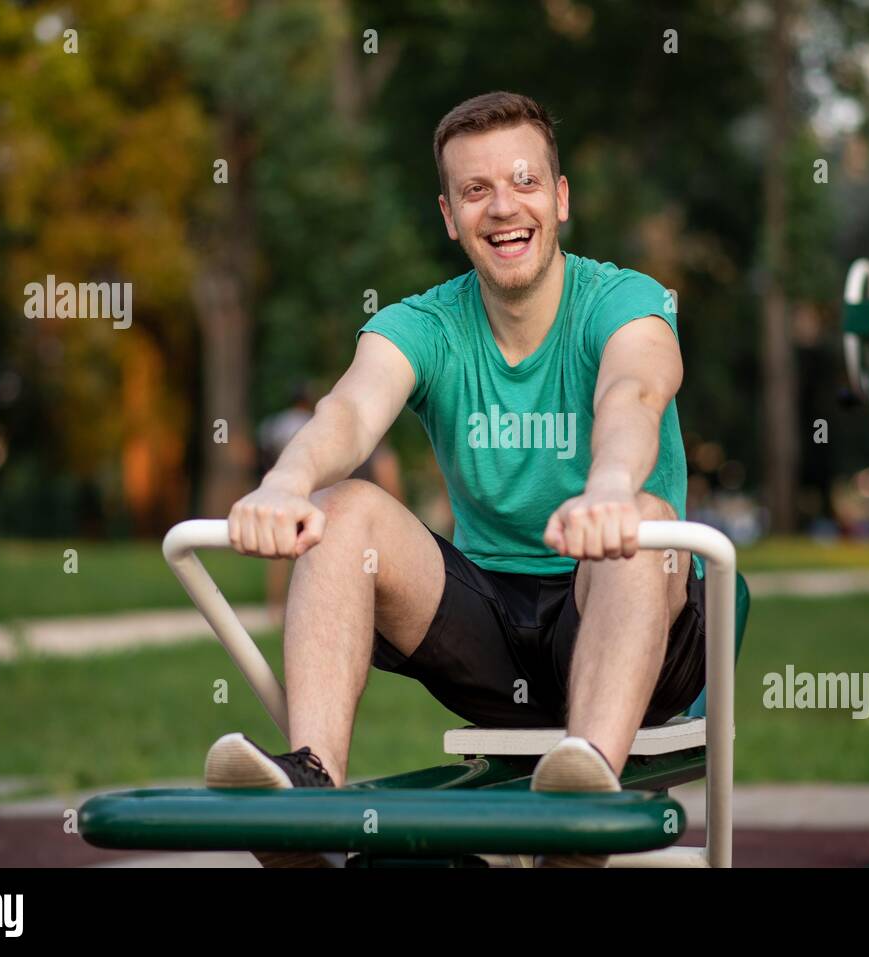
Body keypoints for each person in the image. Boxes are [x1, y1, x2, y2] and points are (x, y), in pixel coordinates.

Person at [203, 92, 706, 868]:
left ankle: (583, 799)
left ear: (561, 198)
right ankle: (309, 788)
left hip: (626, 616)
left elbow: (632, 393)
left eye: (525, 182)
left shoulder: (626, 300)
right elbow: (348, 411)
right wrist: (287, 481)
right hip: (494, 636)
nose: (504, 208)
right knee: (344, 511)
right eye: (477, 191)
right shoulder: (426, 324)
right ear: (449, 214)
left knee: (638, 526)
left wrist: (608, 486)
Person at [257, 386, 404, 626]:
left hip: (288, 488)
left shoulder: (278, 424)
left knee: (282, 552)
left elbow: (262, 449)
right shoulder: (316, 423)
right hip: (322, 493)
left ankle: (275, 607)